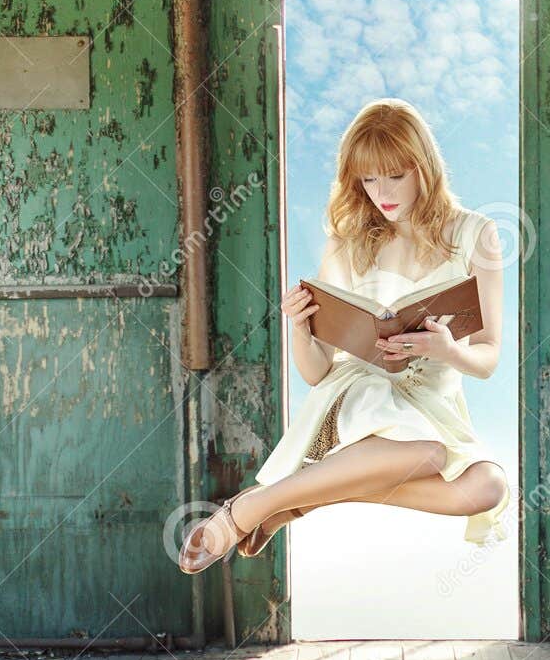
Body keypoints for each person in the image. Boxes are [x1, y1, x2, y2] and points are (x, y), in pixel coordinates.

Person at [178, 98, 512, 573]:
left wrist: (448, 349)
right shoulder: (349, 239)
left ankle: (278, 501)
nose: (381, 193)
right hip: (362, 390)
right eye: (368, 179)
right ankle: (247, 513)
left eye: (394, 175)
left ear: (424, 167)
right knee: (430, 453)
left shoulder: (477, 234)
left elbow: (489, 356)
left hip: (432, 401)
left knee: (487, 488)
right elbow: (317, 372)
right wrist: (301, 329)